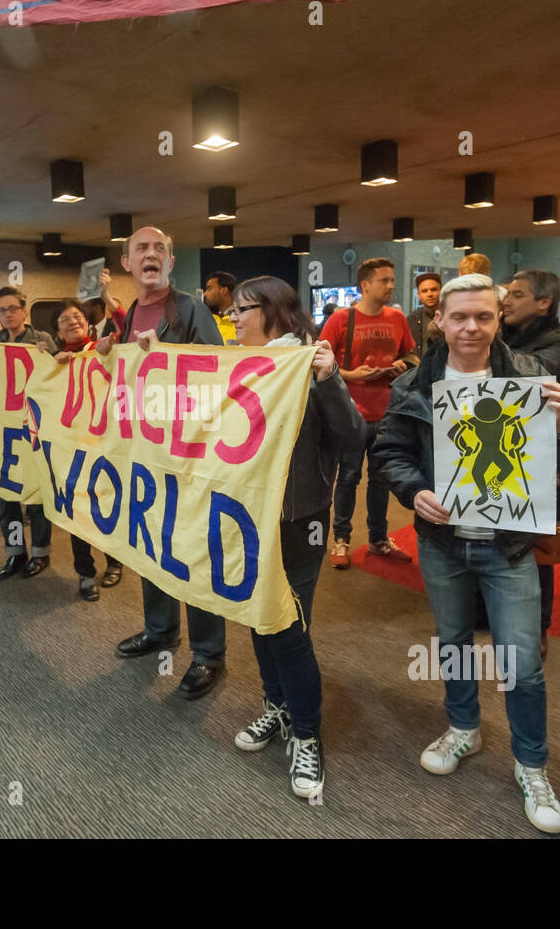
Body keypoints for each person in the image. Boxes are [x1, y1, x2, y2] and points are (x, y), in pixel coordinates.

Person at [375, 272, 560, 834]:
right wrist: (413, 491)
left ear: (498, 320)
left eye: (484, 316)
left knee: (522, 662)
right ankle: (464, 729)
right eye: (460, 316)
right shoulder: (416, 384)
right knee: (453, 643)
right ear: (439, 320)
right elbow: (389, 452)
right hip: (442, 542)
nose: (472, 327)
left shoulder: (530, 374)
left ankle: (531, 764)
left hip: (511, 542)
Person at [228, 275, 363, 801]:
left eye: (244, 309)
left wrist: (329, 381)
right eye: (233, 310)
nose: (234, 318)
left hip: (298, 521)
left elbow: (353, 438)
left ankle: (306, 732)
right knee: (260, 616)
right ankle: (277, 707)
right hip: (247, 517)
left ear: (276, 312)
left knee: (288, 626)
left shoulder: (310, 364)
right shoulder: (237, 364)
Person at [94, 226, 228, 699]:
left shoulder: (189, 310)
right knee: (152, 545)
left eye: (160, 250)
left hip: (187, 458)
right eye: (141, 250)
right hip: (146, 458)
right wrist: (108, 354)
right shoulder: (130, 312)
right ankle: (161, 630)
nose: (151, 255)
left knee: (193, 551)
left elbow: (219, 375)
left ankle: (209, 652)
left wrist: (168, 355)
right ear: (127, 264)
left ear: (170, 262)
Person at [500, 270, 560, 658]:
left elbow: (525, 375)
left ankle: (537, 626)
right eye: (507, 294)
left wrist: (474, 340)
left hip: (537, 459)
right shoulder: (504, 335)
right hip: (490, 446)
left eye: (516, 295)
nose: (506, 301)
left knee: (533, 546)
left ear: (544, 303)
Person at [317, 256, 417, 569]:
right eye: (384, 280)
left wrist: (404, 365)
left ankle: (378, 539)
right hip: (351, 415)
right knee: (347, 478)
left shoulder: (397, 318)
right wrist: (354, 375)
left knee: (381, 480)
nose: (390, 285)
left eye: (391, 280)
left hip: (387, 414)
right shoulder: (341, 319)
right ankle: (342, 540)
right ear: (365, 285)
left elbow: (411, 353)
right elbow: (319, 362)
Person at [51, 298, 124, 600]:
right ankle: (85, 572)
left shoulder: (103, 348)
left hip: (104, 442)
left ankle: (115, 560)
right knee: (76, 510)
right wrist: (54, 365)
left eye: (77, 316)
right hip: (70, 447)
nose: (73, 321)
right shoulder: (53, 360)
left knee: (105, 502)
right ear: (57, 330)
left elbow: (124, 329)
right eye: (65, 319)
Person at [0, 286, 57, 579]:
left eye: (12, 308)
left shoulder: (42, 341)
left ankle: (41, 553)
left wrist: (50, 358)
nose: (7, 314)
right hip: (3, 431)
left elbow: (59, 378)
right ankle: (15, 552)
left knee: (35, 495)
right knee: (7, 497)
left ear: (24, 311)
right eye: (2, 310)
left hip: (33, 429)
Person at [407, 271, 442, 363]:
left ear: (441, 291)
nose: (430, 294)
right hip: (421, 371)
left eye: (434, 289)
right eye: (424, 291)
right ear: (418, 295)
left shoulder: (452, 317)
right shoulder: (411, 320)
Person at [203, 271, 238, 343]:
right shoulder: (209, 319)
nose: (205, 294)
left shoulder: (242, 320)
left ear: (224, 290)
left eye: (209, 288)